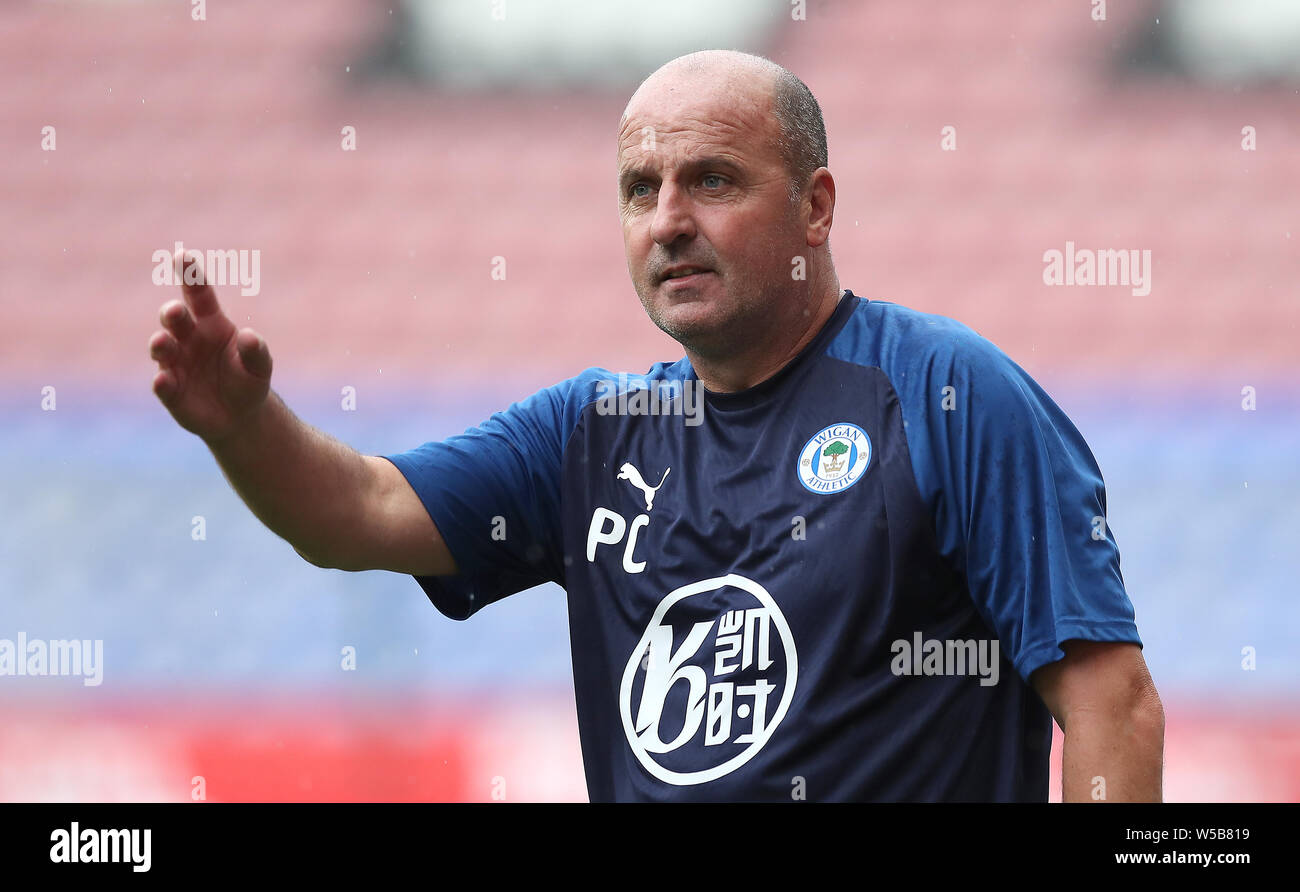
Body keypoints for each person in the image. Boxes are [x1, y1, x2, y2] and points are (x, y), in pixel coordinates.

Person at [148, 50, 1164, 802]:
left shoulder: (949, 394)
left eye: (712, 180)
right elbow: (355, 512)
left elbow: (1110, 706)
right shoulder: (590, 432)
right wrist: (244, 425)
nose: (668, 218)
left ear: (816, 207)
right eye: (641, 189)